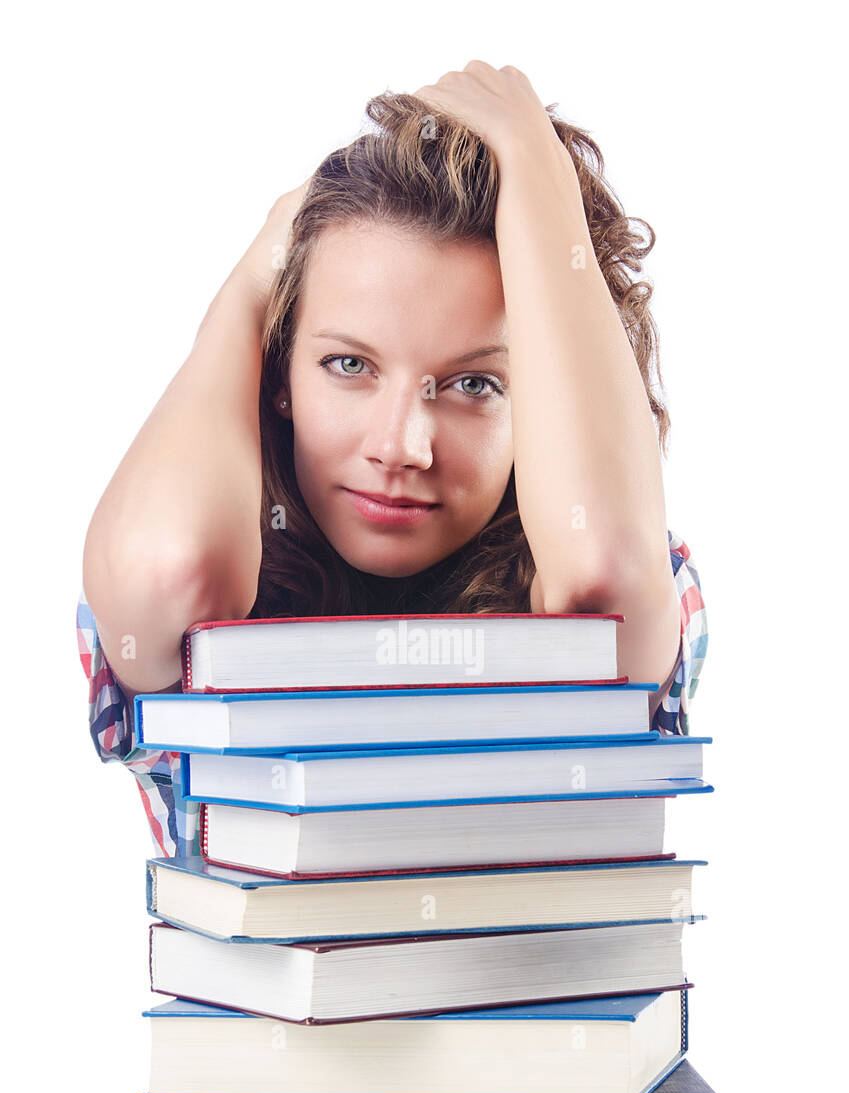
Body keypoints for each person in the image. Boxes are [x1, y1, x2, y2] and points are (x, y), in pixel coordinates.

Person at [77, 64, 708, 859]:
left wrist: (535, 169)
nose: (400, 447)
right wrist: (246, 290)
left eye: (476, 383)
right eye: (348, 365)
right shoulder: (179, 525)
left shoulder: (654, 582)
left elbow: (604, 575)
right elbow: (171, 571)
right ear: (276, 373)